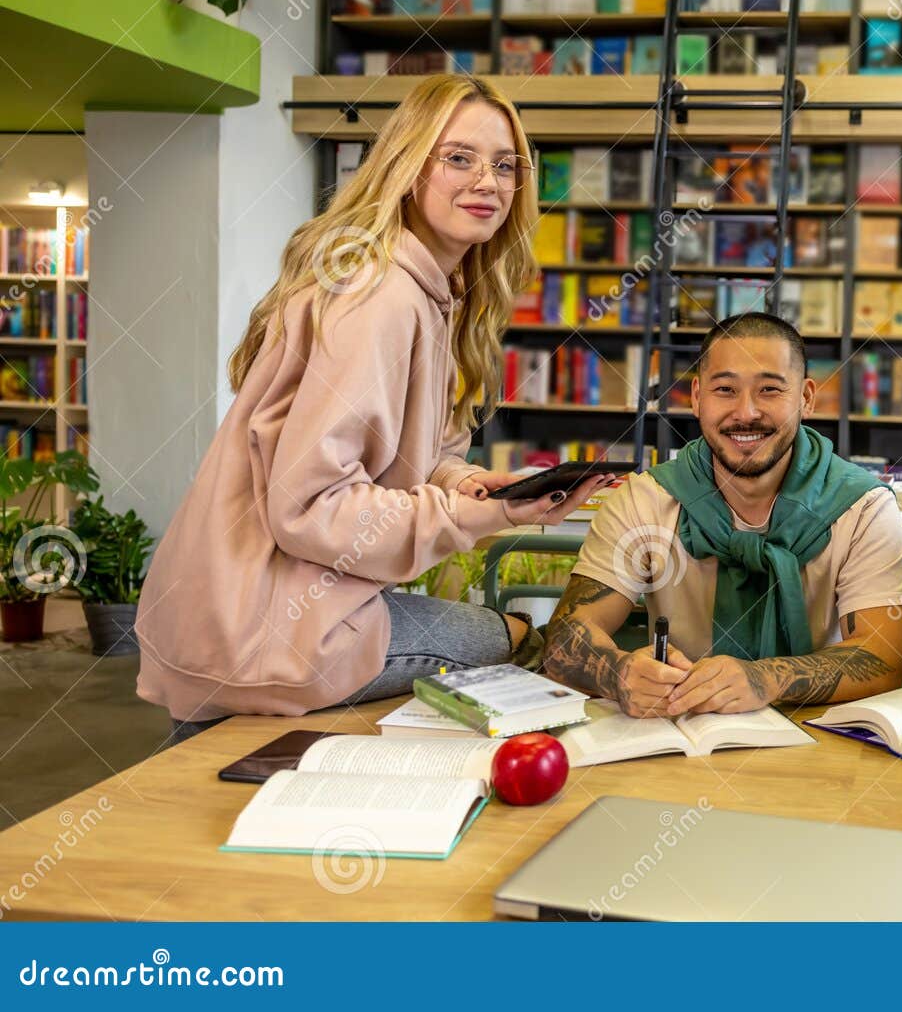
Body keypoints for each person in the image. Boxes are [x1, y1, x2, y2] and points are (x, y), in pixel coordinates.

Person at [136, 75, 613, 740]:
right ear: (409, 167)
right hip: (265, 623)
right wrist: (489, 514)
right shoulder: (384, 297)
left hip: (231, 609)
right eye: (459, 158)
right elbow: (311, 506)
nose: (489, 181)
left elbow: (406, 458)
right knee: (510, 637)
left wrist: (464, 483)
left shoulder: (427, 290)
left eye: (506, 166)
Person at [542, 313, 902, 717]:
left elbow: (884, 655)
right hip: (675, 731)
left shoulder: (863, 506)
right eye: (725, 389)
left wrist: (764, 679)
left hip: (816, 732)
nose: (746, 412)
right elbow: (564, 639)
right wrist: (618, 672)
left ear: (806, 398)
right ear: (697, 397)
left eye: (770, 389)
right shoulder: (644, 498)